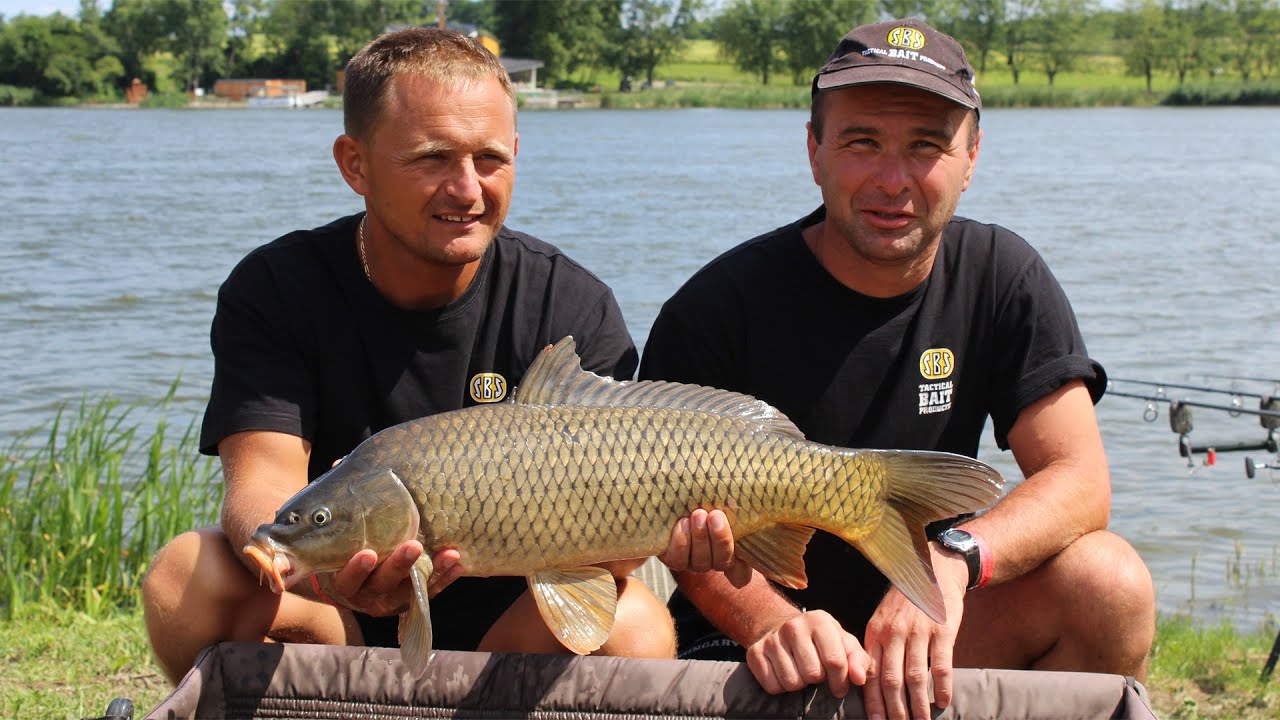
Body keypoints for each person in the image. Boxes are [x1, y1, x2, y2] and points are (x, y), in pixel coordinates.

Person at [643, 17, 1156, 720]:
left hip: (932, 619)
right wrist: (771, 622)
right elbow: (672, 534)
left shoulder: (1002, 275)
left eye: (926, 146)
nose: (893, 181)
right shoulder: (714, 309)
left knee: (1110, 583)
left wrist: (954, 561)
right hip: (756, 638)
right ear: (814, 150)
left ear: (971, 158)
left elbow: (1080, 479)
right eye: (862, 143)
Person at [141, 27, 677, 685]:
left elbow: (611, 537)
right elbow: (261, 484)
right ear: (355, 164)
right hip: (335, 609)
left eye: (489, 158)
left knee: (636, 627)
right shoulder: (277, 287)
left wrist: (674, 535)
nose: (467, 189)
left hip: (510, 620)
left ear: (515, 153)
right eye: (432, 158)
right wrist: (328, 574)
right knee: (187, 576)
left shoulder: (570, 304)